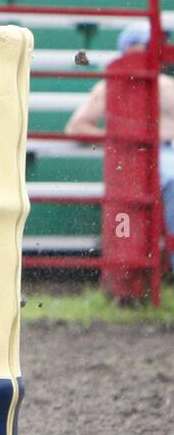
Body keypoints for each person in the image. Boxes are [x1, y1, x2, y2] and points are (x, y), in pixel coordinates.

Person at [66, 22, 174, 260]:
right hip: (135, 156)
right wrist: (121, 142)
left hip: (162, 152)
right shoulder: (111, 85)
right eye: (147, 44)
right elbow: (77, 126)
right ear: (129, 48)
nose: (156, 49)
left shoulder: (165, 85)